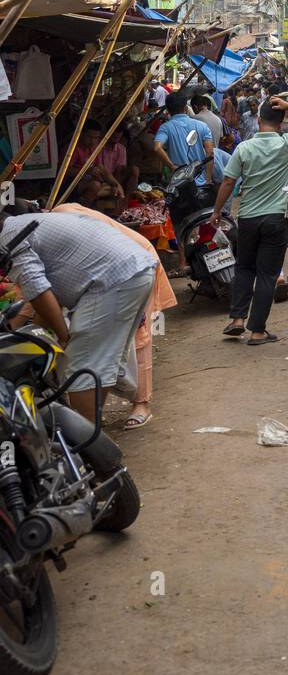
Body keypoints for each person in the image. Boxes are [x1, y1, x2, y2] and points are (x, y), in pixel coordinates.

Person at [0, 208, 157, 424]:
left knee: (79, 365)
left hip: (113, 279)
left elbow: (39, 293)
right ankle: (91, 432)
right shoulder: (25, 224)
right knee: (98, 364)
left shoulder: (9, 239)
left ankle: (86, 442)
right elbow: (47, 298)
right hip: (132, 271)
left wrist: (64, 336)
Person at [53, 202, 177, 429]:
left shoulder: (61, 218)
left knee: (139, 337)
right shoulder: (53, 222)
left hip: (135, 264)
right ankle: (94, 406)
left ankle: (142, 404)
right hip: (107, 275)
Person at [210, 96, 288, 345]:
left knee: (245, 268)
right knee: (267, 274)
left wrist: (216, 211)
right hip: (276, 218)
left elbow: (229, 182)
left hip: (248, 218)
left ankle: (237, 319)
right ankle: (257, 330)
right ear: (281, 122)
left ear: (258, 120)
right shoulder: (286, 144)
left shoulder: (244, 148)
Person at [153, 91, 214, 277]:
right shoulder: (201, 125)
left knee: (181, 225)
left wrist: (172, 166)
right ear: (185, 107)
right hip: (200, 183)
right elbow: (210, 154)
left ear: (168, 109)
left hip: (179, 187)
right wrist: (209, 178)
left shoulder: (166, 127)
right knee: (207, 221)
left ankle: (183, 263)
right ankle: (211, 255)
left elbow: (156, 147)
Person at [67, 120, 129, 209]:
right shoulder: (73, 148)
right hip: (71, 184)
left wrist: (115, 184)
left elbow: (101, 168)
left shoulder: (94, 148)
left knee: (114, 189)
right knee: (95, 185)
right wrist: (87, 171)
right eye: (90, 137)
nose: (92, 141)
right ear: (82, 134)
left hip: (90, 182)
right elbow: (66, 171)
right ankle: (83, 210)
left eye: (95, 138)